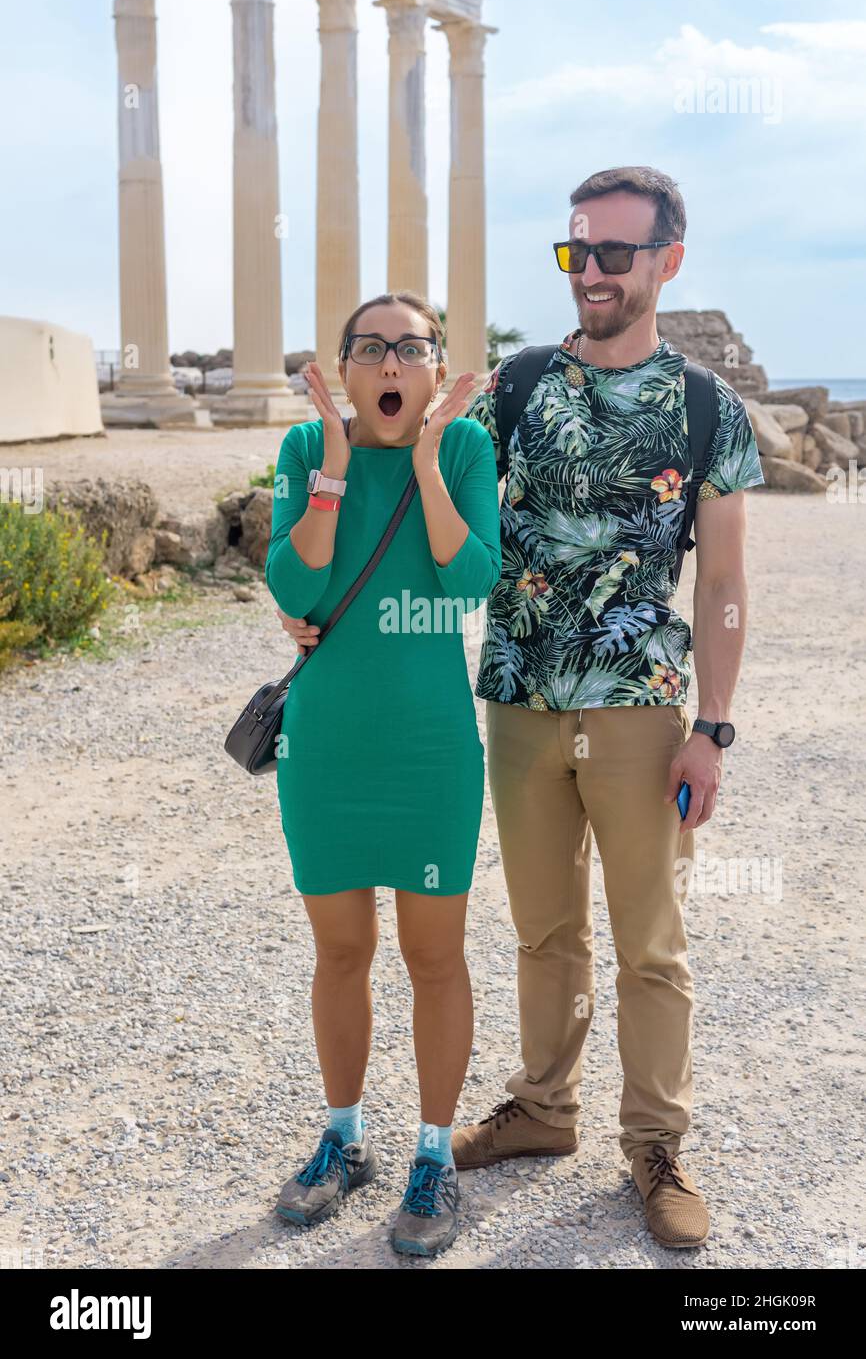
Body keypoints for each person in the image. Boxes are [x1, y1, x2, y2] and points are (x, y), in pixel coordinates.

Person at [281, 168, 765, 1251]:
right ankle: (543, 1110)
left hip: (640, 703)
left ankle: (655, 1147)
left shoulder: (706, 408)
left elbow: (725, 581)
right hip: (513, 699)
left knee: (649, 943)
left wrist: (713, 725)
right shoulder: (513, 387)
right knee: (543, 933)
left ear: (665, 262)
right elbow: (409, 507)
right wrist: (316, 615)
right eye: (574, 252)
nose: (589, 273)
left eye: (612, 255)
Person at [265, 291, 501, 1257]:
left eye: (413, 348)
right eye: (372, 349)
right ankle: (343, 1137)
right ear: (347, 371)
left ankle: (435, 1155)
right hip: (325, 747)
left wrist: (428, 463)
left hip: (431, 750)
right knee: (341, 953)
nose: (392, 364)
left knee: (435, 958)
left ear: (435, 370)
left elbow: (471, 578)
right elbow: (297, 586)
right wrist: (329, 460)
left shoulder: (467, 451)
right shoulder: (301, 451)